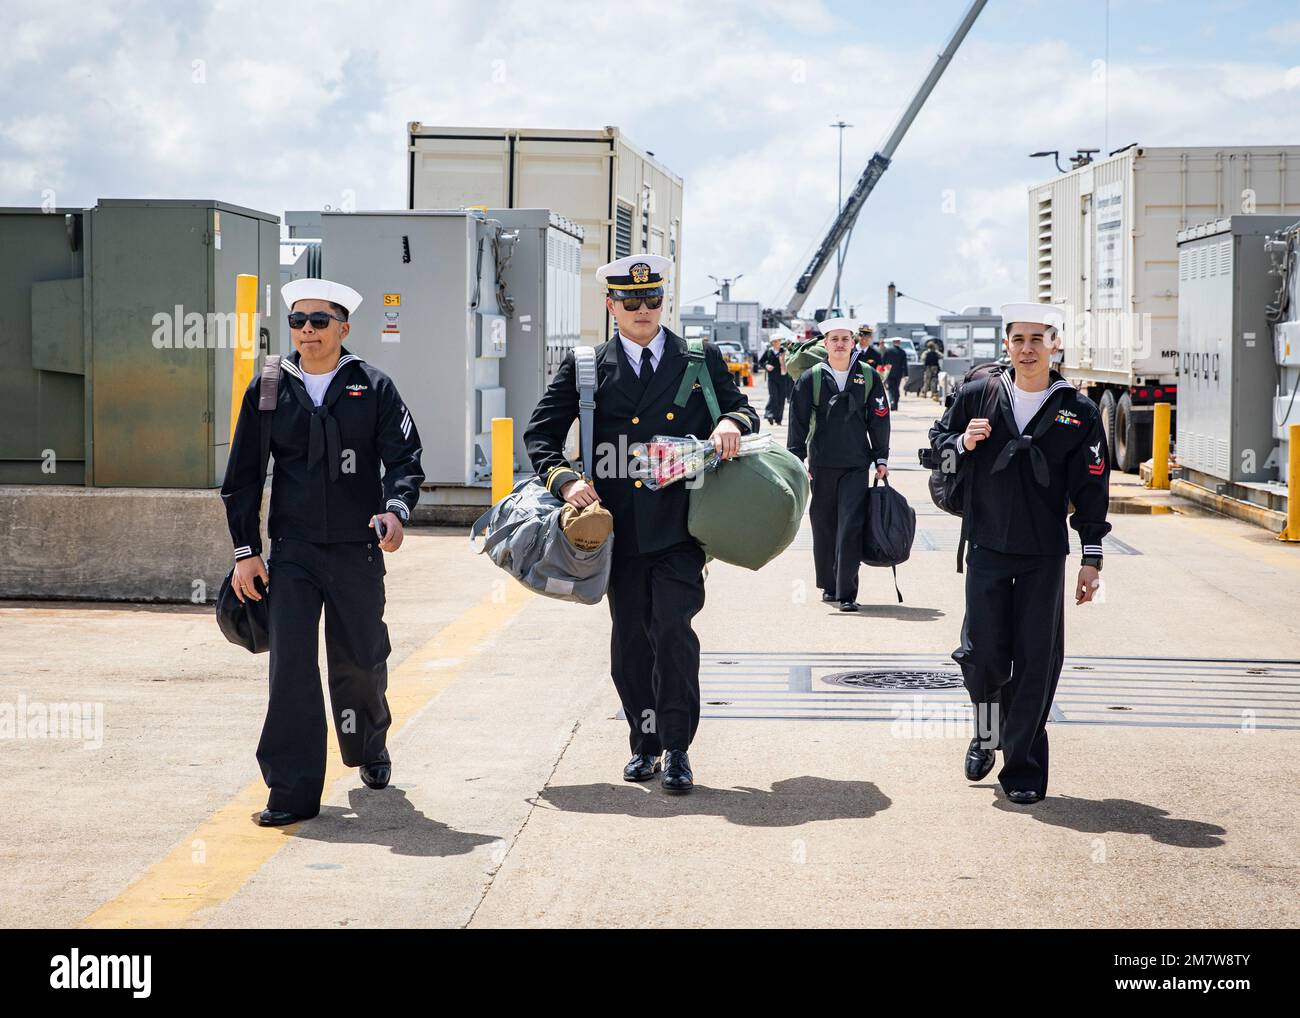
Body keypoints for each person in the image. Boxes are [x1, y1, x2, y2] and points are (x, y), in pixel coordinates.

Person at [524, 255, 759, 795]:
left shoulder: (698, 358)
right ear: (611, 306)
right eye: (631, 302)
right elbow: (540, 434)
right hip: (619, 531)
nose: (643, 310)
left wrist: (728, 420)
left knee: (673, 630)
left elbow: (745, 410)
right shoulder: (587, 367)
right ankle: (644, 742)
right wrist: (565, 481)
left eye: (653, 300)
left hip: (681, 526)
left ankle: (677, 748)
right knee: (631, 639)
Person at [221, 278, 425, 827]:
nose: (306, 331)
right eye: (297, 321)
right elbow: (241, 476)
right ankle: (291, 790)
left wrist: (395, 510)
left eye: (318, 321)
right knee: (290, 668)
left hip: (358, 548)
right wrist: (246, 551)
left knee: (361, 659)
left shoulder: (373, 386)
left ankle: (368, 746)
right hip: (292, 552)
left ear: (344, 327)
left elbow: (405, 460)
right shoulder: (268, 387)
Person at [928, 302, 1110, 805]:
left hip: (1043, 554)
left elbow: (1094, 488)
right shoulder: (978, 395)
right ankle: (986, 733)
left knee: (1035, 662)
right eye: (1018, 339)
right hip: (986, 545)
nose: (1027, 349)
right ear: (1005, 344)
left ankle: (1023, 766)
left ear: (1055, 345)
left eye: (1038, 339)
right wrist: (961, 442)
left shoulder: (1078, 410)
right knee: (982, 657)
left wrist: (1090, 559)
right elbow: (934, 452)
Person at [787, 317, 890, 612]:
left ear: (854, 342)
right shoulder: (812, 377)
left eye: (846, 339)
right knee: (823, 525)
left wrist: (881, 457)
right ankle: (829, 585)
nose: (841, 344)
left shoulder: (868, 376)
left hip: (857, 463)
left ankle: (847, 592)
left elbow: (880, 418)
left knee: (851, 525)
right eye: (835, 339)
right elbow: (798, 421)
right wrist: (797, 459)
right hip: (821, 463)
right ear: (825, 344)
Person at [758, 337, 791, 425]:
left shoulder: (784, 351)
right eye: (776, 341)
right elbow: (761, 362)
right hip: (772, 378)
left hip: (783, 378)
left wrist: (783, 361)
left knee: (781, 399)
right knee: (773, 396)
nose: (778, 343)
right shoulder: (769, 352)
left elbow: (790, 362)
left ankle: (778, 419)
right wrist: (766, 366)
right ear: (772, 343)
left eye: (779, 341)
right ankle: (769, 414)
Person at [882, 337, 909, 411]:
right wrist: (906, 374)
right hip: (898, 373)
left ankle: (892, 402)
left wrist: (883, 373)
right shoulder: (902, 352)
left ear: (893, 342)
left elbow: (883, 362)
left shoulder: (888, 351)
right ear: (899, 343)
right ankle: (895, 404)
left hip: (889, 372)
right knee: (896, 389)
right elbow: (904, 364)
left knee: (890, 388)